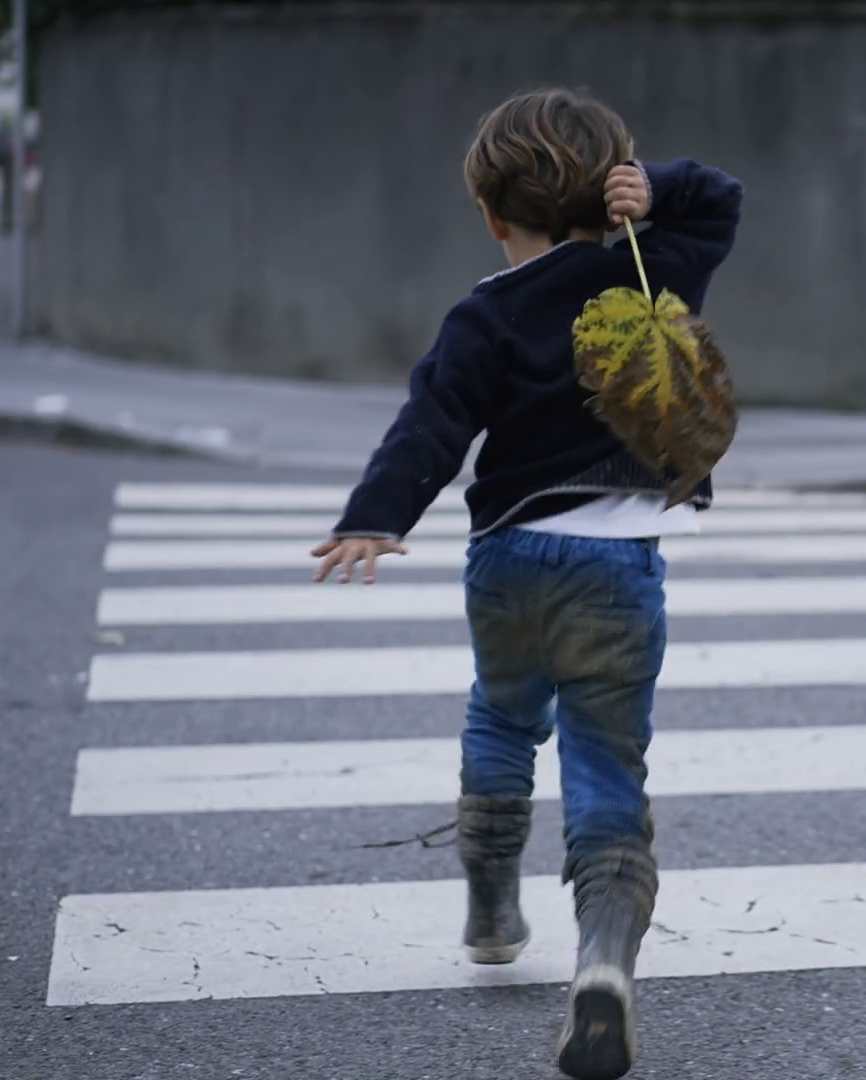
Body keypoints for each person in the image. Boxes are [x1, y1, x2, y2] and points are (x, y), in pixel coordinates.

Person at [309, 87, 743, 1080]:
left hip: (508, 559)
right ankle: (600, 964)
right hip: (620, 567)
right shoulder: (658, 267)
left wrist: (377, 516)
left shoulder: (487, 310)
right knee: (605, 758)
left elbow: (433, 424)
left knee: (502, 721)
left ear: (493, 215)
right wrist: (659, 188)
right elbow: (720, 197)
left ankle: (493, 908)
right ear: (613, 192)